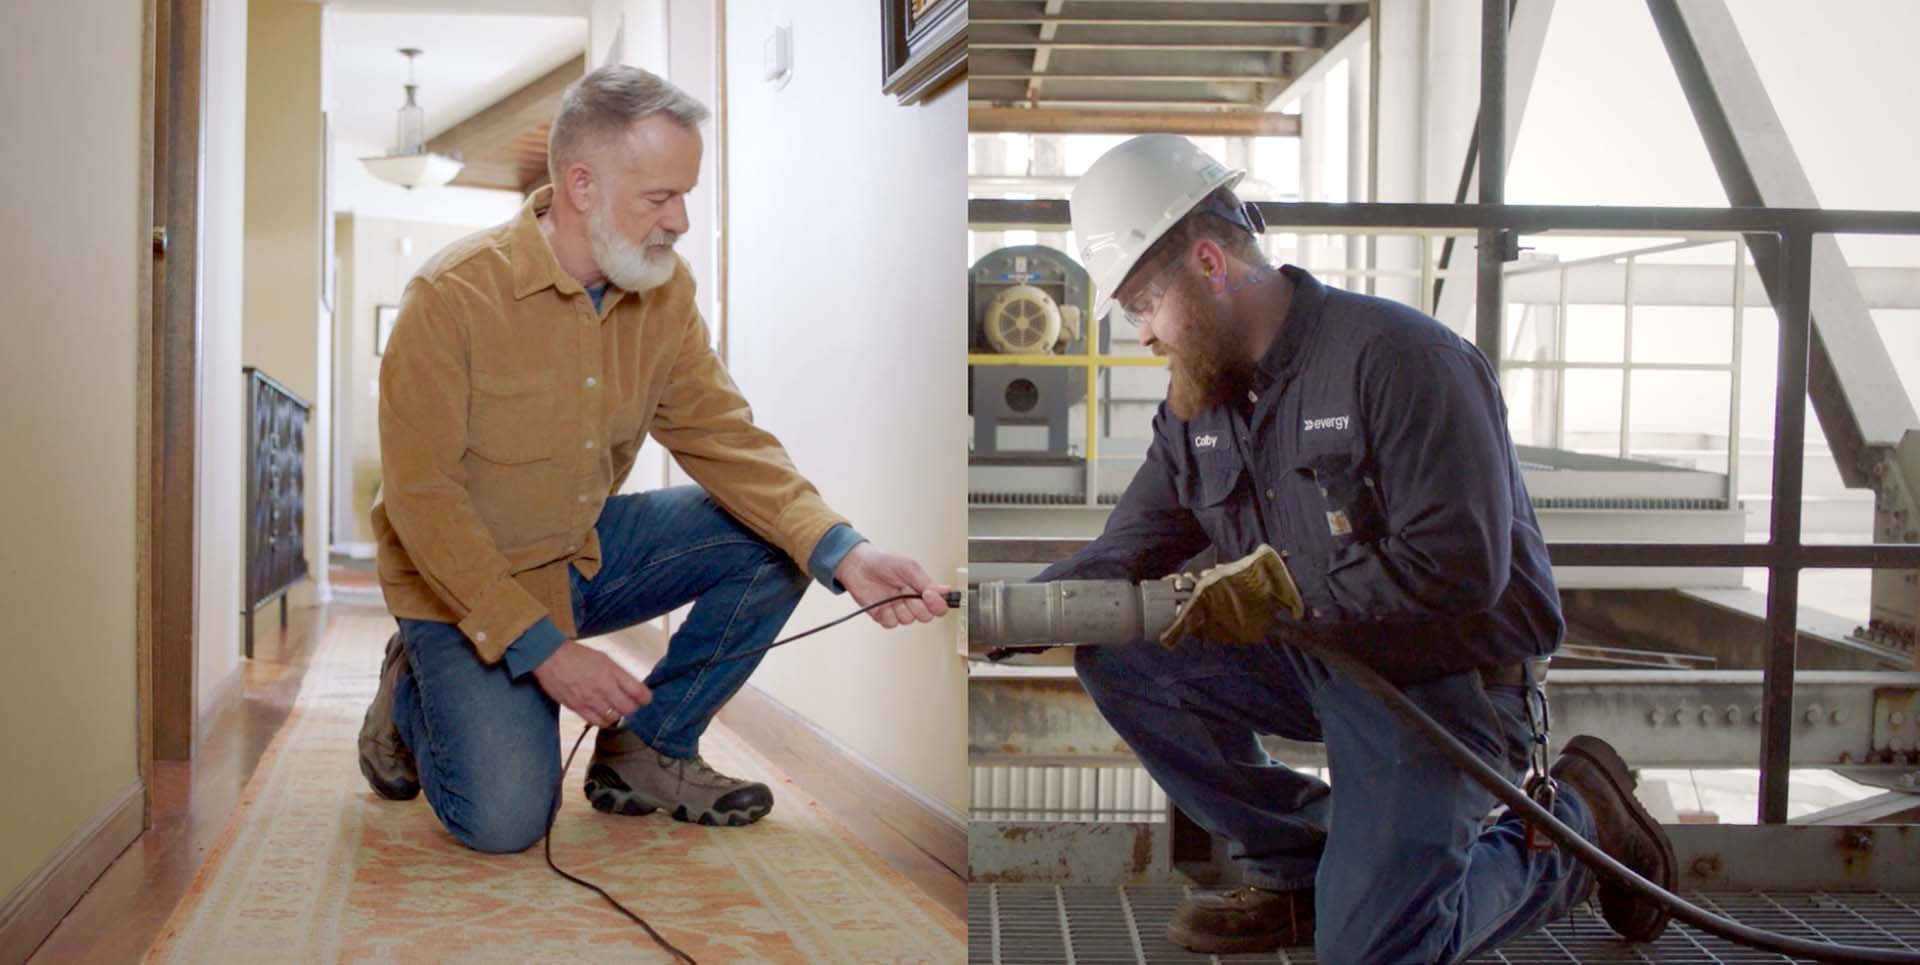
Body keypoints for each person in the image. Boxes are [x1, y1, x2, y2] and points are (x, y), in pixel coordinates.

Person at [1040, 134, 1675, 962]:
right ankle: (1301, 869)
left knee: (1374, 953)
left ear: (1208, 264)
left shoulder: (1402, 361)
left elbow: (1459, 566)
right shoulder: (1201, 406)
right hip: (1322, 661)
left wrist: (1279, 596)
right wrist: (1004, 609)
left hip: (1447, 684)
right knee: (1121, 657)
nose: (1143, 336)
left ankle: (1577, 828)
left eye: (1141, 306)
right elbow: (1128, 547)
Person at [355, 65, 948, 853]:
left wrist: (850, 551)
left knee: (777, 534)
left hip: (579, 555)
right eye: (660, 197)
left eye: (686, 194)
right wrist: (544, 651)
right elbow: (422, 501)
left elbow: (726, 438)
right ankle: (413, 686)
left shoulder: (664, 295)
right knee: (504, 821)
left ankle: (649, 747)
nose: (683, 221)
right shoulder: (452, 297)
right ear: (582, 186)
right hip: (460, 585)